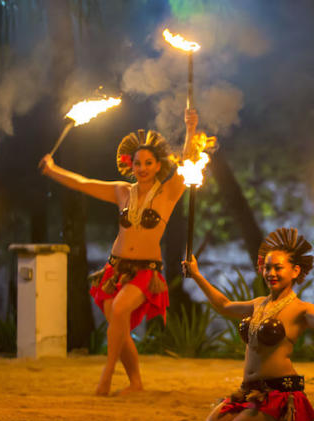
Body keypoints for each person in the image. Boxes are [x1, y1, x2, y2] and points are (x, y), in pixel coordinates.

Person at [39, 108, 198, 396]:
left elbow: (188, 162)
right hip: (115, 269)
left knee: (122, 310)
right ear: (130, 165)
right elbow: (83, 184)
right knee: (118, 326)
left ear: (158, 164)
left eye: (148, 163)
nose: (143, 168)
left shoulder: (168, 193)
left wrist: (190, 130)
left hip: (145, 270)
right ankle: (135, 382)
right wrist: (52, 170)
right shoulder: (122, 191)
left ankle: (107, 375)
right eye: (138, 163)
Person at [182, 228, 314, 421]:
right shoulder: (258, 303)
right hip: (250, 390)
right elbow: (224, 305)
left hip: (280, 394)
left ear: (295, 271)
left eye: (278, 268)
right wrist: (196, 275)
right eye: (267, 267)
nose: (271, 273)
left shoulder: (301, 309)